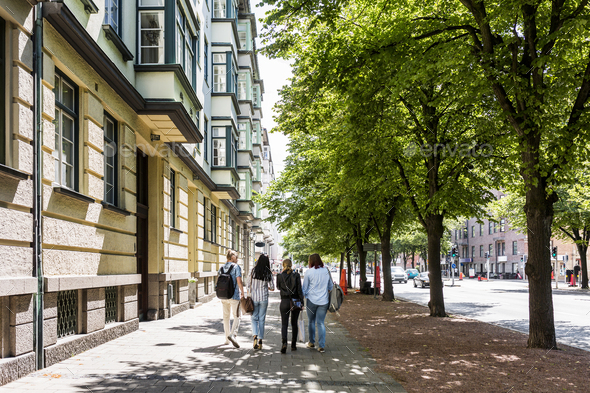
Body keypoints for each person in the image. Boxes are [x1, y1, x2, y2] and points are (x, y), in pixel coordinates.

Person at [303, 254, 333, 353]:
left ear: (310, 261)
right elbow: (330, 286)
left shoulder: (308, 272)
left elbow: (305, 288)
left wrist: (303, 298)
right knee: (320, 323)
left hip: (311, 300)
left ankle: (311, 342)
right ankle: (321, 345)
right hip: (324, 301)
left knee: (311, 321)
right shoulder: (326, 271)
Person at [276, 259, 304, 353]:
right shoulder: (296, 275)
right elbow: (299, 290)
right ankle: (293, 345)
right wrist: (302, 302)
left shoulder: (279, 276)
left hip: (284, 301)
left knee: (284, 324)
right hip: (295, 301)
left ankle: (284, 343)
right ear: (291, 265)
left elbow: (278, 287)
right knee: (294, 323)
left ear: (283, 265)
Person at [248, 254, 275, 350]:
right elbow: (272, 288)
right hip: (264, 298)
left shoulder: (253, 271)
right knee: (262, 319)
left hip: (254, 298)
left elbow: (248, 284)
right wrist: (266, 287)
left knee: (254, 318)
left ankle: (254, 336)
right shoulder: (268, 273)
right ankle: (260, 340)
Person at [219, 249, 244, 348]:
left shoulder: (221, 267)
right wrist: (242, 292)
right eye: (236, 257)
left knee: (226, 317)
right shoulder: (236, 267)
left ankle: (226, 339)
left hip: (223, 296)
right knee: (237, 316)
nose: (237, 259)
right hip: (234, 296)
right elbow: (239, 280)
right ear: (232, 257)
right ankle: (232, 335)